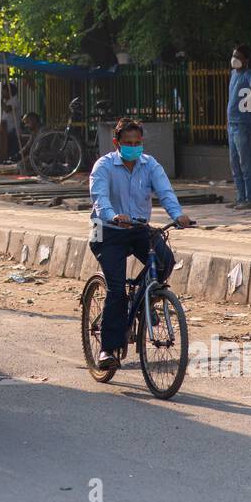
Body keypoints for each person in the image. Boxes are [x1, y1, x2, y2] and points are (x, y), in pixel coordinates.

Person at [89, 118, 193, 371]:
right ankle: (108, 349)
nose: (133, 148)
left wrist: (177, 215)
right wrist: (113, 215)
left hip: (138, 229)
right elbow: (100, 198)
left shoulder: (150, 165)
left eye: (137, 143)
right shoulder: (103, 166)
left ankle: (145, 300)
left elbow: (166, 192)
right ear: (116, 143)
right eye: (128, 143)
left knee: (165, 260)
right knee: (116, 290)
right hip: (108, 231)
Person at [227, 44, 251, 210]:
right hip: (231, 124)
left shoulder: (248, 74)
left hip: (242, 124)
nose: (235, 59)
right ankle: (240, 197)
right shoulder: (233, 73)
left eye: (238, 56)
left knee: (245, 163)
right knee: (234, 163)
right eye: (234, 55)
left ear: (246, 60)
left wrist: (248, 98)